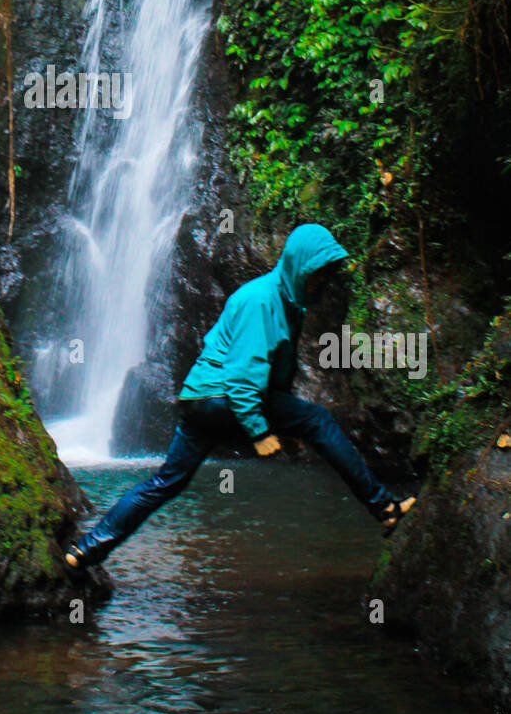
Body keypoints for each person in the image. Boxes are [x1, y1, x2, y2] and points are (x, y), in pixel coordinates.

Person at [65, 223, 416, 573]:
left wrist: (283, 430)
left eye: (325, 274)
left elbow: (272, 384)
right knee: (319, 419)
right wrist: (259, 432)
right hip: (222, 397)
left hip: (199, 400)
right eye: (317, 273)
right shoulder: (262, 300)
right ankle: (383, 507)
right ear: (299, 265)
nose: (322, 282)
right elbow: (242, 377)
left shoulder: (287, 304)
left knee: (165, 483)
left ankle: (85, 550)